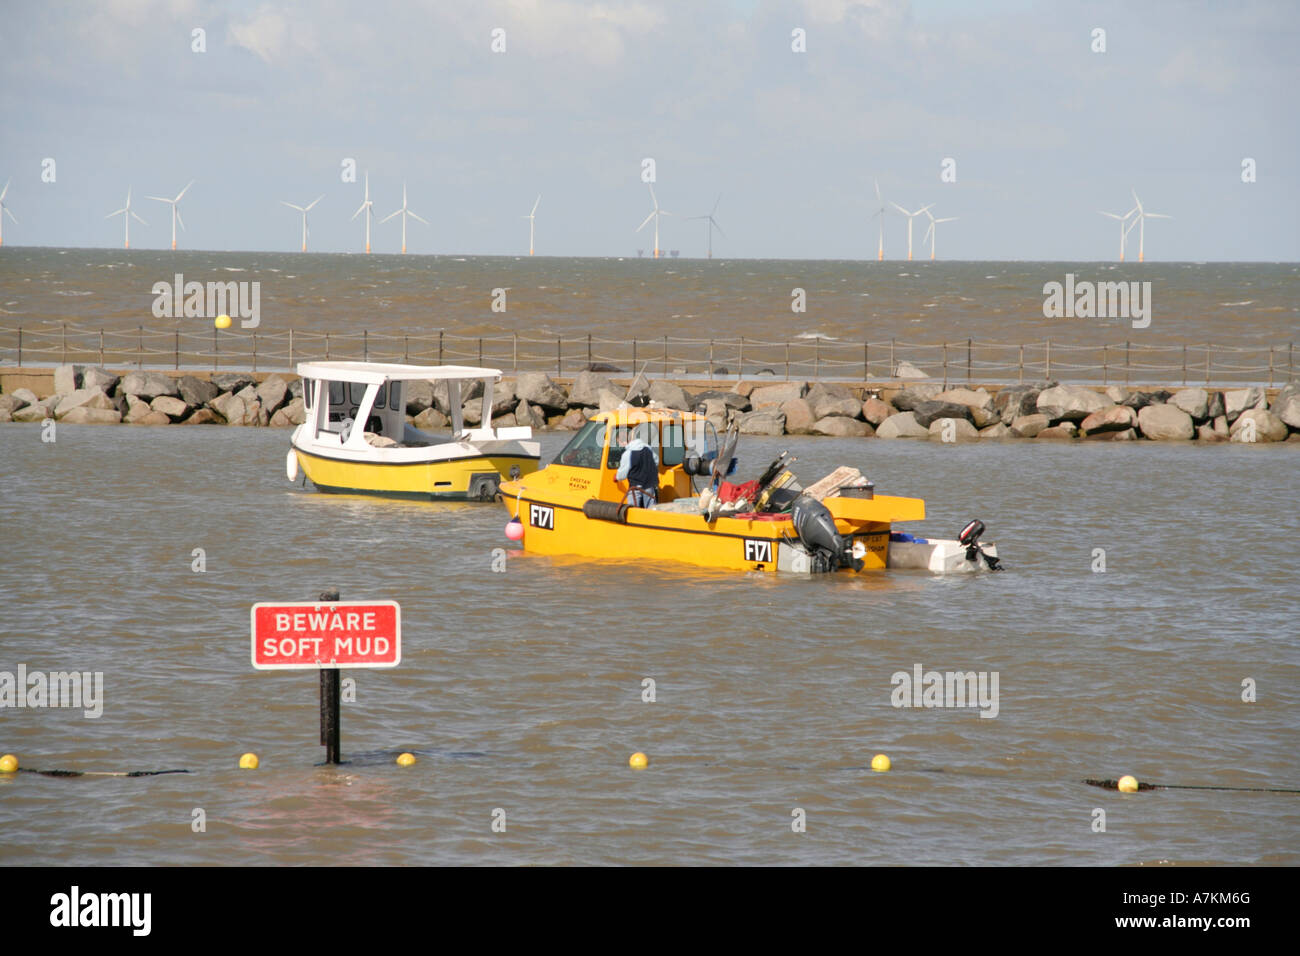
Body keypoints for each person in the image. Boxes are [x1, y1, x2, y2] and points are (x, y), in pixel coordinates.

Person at [615, 428, 659, 507]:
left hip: (635, 488)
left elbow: (621, 476)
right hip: (649, 485)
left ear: (622, 441)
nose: (620, 445)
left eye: (619, 443)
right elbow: (656, 461)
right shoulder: (648, 448)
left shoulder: (628, 454)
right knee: (651, 509)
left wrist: (616, 476)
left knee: (633, 510)